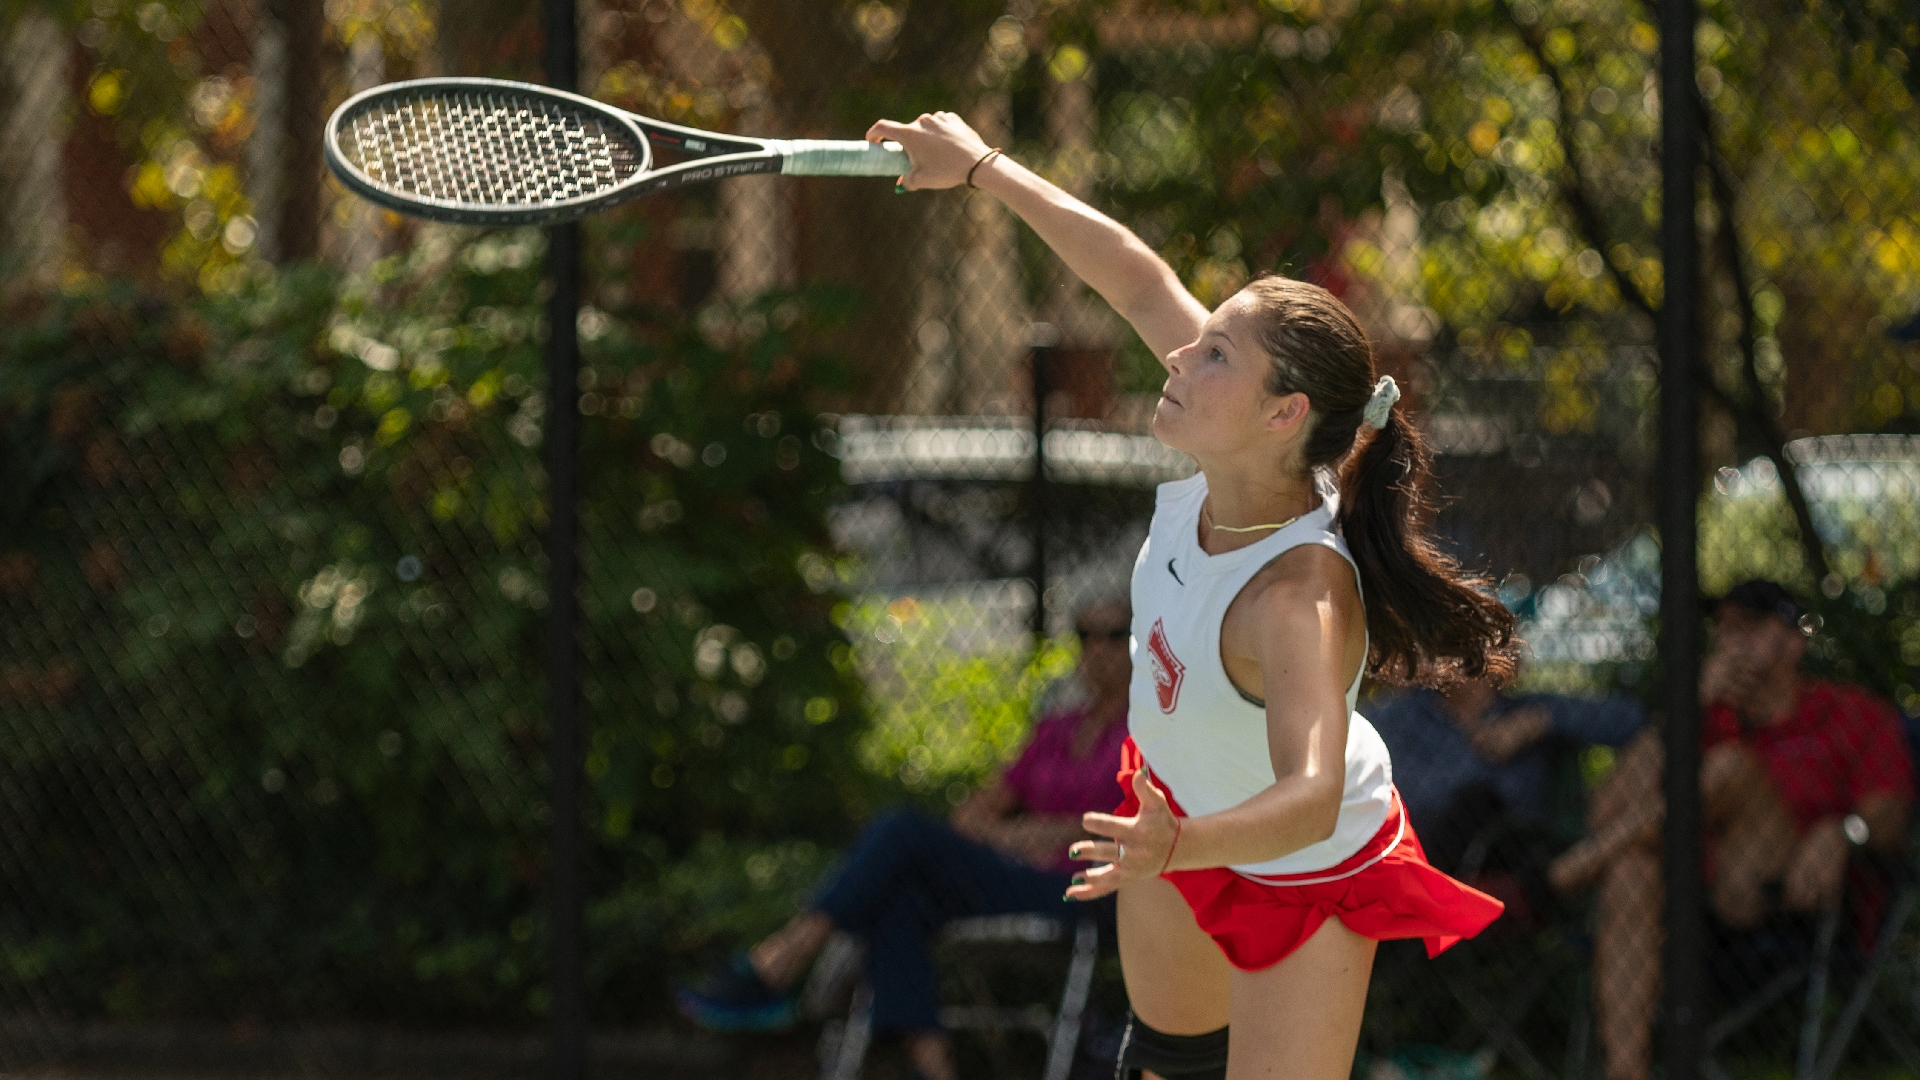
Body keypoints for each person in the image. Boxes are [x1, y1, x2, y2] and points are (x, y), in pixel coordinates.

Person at [865, 112, 1513, 1080]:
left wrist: (1182, 845)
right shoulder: (1239, 450)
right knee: (1167, 1066)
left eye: (1215, 355)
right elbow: (1134, 275)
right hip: (1175, 818)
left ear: (1284, 414)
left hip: (1300, 867)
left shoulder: (1297, 598)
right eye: (1201, 340)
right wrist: (983, 169)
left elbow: (1309, 796)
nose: (1178, 355)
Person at [675, 598, 1132, 1080]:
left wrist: (1020, 834)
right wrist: (1032, 835)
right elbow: (968, 818)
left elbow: (1118, 827)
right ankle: (932, 1069)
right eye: (1084, 635)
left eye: (1113, 635)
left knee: (902, 831)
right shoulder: (1056, 731)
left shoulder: (1145, 731)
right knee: (900, 901)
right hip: (1016, 875)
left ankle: (781, 959)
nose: (1097, 649)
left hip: (1082, 889)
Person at [1547, 579, 1915, 1080]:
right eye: (1723, 628)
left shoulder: (1851, 712)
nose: (1729, 640)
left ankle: (1562, 876)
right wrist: (1688, 709)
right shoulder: (1704, 718)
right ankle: (1625, 1074)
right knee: (1631, 868)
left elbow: (1891, 815)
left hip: (1795, 901)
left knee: (1730, 768)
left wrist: (1843, 831)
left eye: (1749, 626)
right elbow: (1607, 815)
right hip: (1691, 910)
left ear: (1795, 641)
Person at [1368, 674, 1645, 871]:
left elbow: (1632, 719)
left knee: (1482, 805)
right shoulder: (1403, 716)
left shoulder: (1529, 708)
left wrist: (1539, 722)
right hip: (1417, 849)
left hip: (1507, 861)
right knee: (1468, 804)